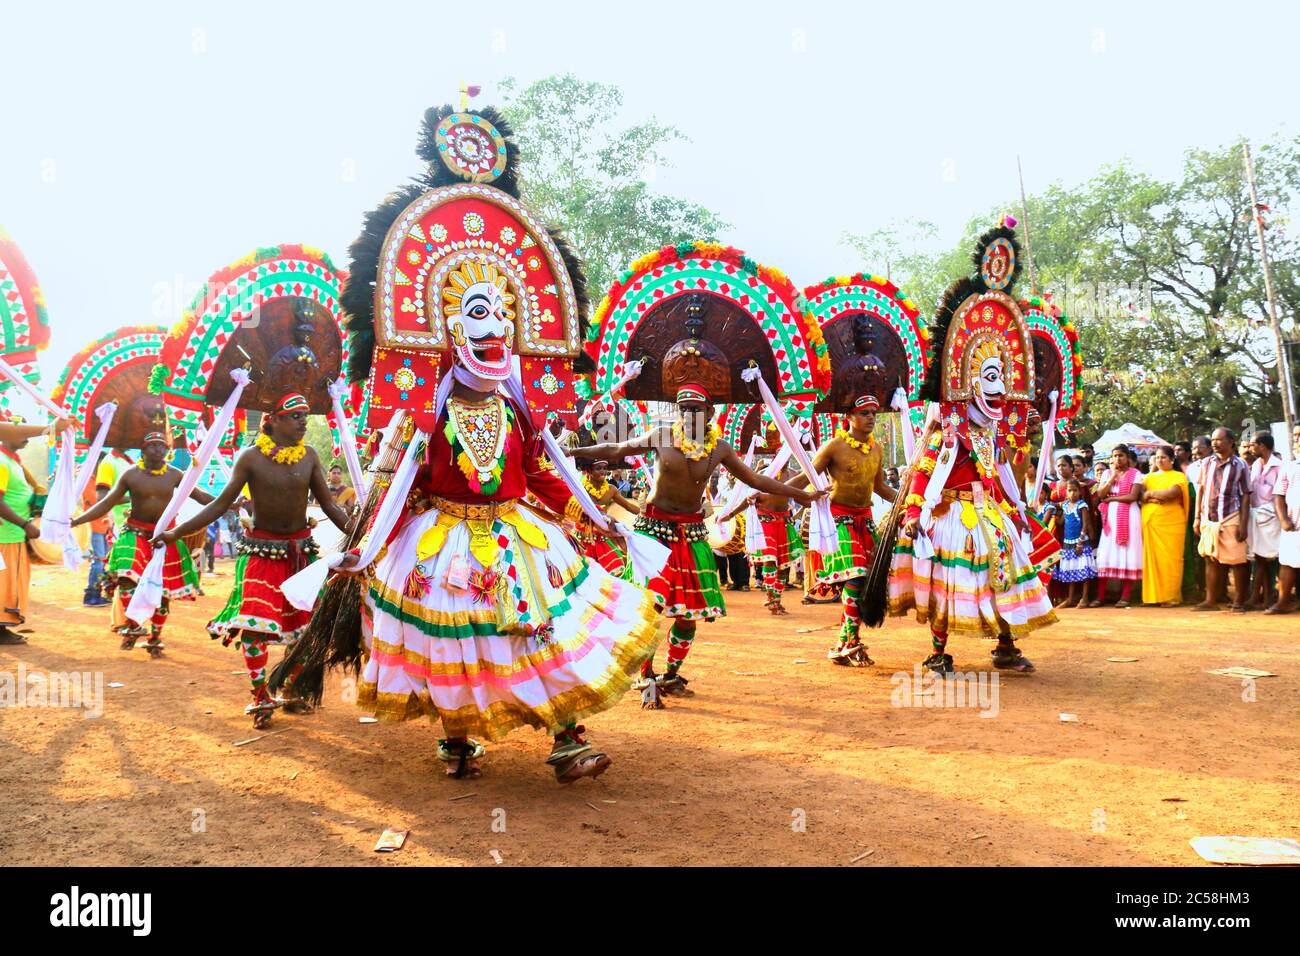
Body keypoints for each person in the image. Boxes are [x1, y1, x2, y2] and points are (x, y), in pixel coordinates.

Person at [572, 383, 824, 699]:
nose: (690, 414)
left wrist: (803, 494)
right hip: (655, 532)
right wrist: (572, 452)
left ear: (710, 413)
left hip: (691, 535)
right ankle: (646, 676)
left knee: (688, 615)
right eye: (684, 408)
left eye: (696, 408)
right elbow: (617, 449)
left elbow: (756, 480)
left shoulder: (719, 448)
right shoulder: (661, 436)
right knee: (651, 607)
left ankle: (671, 675)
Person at [158, 394, 353, 725]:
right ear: (273, 420)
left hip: (300, 556)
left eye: (305, 415)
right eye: (295, 416)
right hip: (261, 554)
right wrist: (175, 532)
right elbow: (220, 504)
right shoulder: (250, 458)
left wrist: (365, 537)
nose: (303, 421)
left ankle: (289, 687)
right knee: (254, 628)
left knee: (310, 629)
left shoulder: (309, 456)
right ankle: (261, 696)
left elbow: (332, 507)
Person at [72, 431, 213, 655]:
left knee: (163, 592)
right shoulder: (131, 475)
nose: (158, 449)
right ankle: (135, 626)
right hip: (134, 534)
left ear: (168, 451)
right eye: (153, 445)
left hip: (164, 538)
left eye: (162, 446)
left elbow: (201, 497)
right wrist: (78, 520)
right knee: (127, 578)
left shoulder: (175, 474)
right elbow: (106, 502)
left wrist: (231, 503)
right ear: (143, 450)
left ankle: (155, 637)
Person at [786, 394, 896, 665]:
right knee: (856, 577)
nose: (871, 417)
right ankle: (851, 643)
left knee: (868, 582)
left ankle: (844, 643)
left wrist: (913, 500)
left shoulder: (877, 450)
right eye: (864, 413)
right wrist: (780, 493)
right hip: (838, 523)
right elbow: (806, 477)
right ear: (849, 417)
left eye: (874, 413)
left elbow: (881, 488)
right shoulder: (834, 446)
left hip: (866, 521)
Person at [0, 414, 64, 644]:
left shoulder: (12, 461)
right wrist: (25, 524)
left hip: (11, 534)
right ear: (6, 436)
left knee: (9, 580)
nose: (26, 438)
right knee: (7, 582)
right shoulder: (2, 462)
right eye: (21, 433)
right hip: (7, 536)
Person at [1193, 426, 1252, 612]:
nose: (1215, 444)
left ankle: (1239, 601)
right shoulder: (1206, 463)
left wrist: (1243, 524)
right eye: (1212, 440)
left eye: (1219, 440)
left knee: (1237, 560)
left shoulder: (1240, 465)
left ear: (1230, 441)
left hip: (1231, 516)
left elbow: (1245, 495)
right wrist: (1197, 517)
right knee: (1211, 558)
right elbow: (1200, 490)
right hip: (1208, 518)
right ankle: (1210, 601)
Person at [745, 461, 805, 615]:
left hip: (784, 525)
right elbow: (748, 498)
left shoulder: (793, 475)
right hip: (766, 526)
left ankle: (777, 600)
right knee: (770, 560)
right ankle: (771, 597)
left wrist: (818, 498)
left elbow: (801, 498)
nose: (784, 461)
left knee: (784, 567)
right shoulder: (765, 476)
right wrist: (730, 514)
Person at [1089, 445, 1144, 607]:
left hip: (1129, 516)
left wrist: (1112, 499)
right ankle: (1100, 597)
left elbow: (1133, 496)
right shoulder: (1107, 473)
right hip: (1110, 519)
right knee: (1106, 554)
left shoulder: (1136, 474)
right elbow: (1100, 494)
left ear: (1128, 458)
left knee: (1129, 554)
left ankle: (1125, 596)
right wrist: (1112, 477)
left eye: (1121, 455)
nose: (1117, 459)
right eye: (1114, 456)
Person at [571, 459, 639, 579]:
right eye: (598, 468)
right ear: (589, 471)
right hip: (582, 539)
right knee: (585, 577)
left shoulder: (611, 489)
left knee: (616, 572)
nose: (603, 472)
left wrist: (647, 513)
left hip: (603, 537)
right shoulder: (580, 488)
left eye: (604, 468)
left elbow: (628, 506)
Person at [1139, 445, 1189, 607]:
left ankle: (1171, 597)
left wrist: (1151, 495)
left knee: (1171, 560)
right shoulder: (1148, 478)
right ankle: (1152, 597)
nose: (1160, 460)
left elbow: (1172, 494)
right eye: (1157, 457)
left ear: (1172, 460)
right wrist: (1152, 497)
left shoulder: (1179, 476)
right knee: (1152, 561)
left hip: (1172, 523)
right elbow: (1140, 495)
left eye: (1163, 457)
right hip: (1151, 523)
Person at [1266, 424, 1300, 614]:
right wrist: (1284, 519)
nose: (1298, 440)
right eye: (1296, 436)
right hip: (1293, 524)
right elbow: (1278, 495)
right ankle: (1283, 602)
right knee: (1287, 563)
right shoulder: (1290, 465)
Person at [1245, 431, 1282, 609]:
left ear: (1262, 446)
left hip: (1272, 519)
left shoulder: (1279, 467)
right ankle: (1263, 597)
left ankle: (1267, 598)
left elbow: (1279, 496)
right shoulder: (1256, 465)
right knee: (1260, 558)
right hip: (1256, 516)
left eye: (1252, 445)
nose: (1250, 448)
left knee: (1269, 559)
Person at [1053, 478, 1096, 607]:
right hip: (1068, 542)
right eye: (1070, 491)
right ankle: (1070, 598)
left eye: (1075, 490)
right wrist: (1056, 515)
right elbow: (1061, 522)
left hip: (1080, 542)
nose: (1072, 493)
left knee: (1084, 569)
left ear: (1080, 492)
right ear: (1066, 492)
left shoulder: (1082, 505)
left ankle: (1085, 598)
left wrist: (1080, 542)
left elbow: (1085, 524)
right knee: (1071, 570)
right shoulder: (1065, 506)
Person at [80, 473, 112, 607]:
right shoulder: (88, 480)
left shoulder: (102, 480)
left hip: (106, 525)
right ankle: (91, 595)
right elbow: (96, 500)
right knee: (98, 561)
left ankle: (101, 591)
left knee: (104, 561)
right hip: (94, 526)